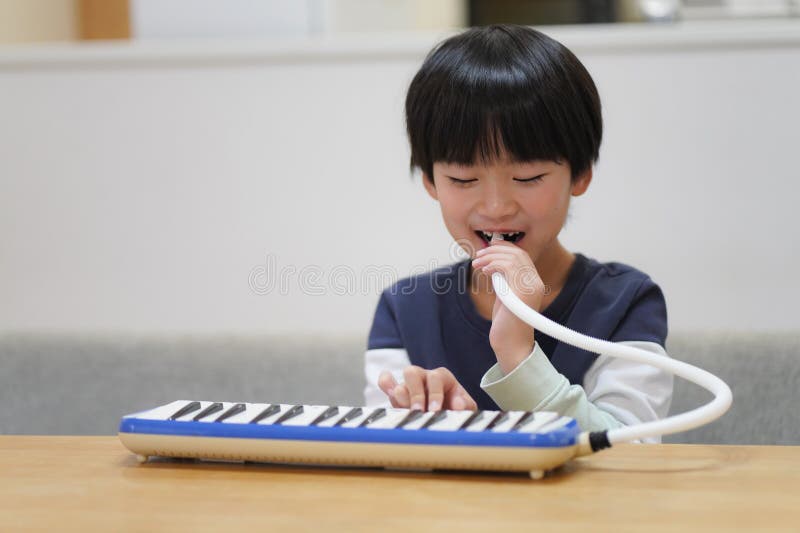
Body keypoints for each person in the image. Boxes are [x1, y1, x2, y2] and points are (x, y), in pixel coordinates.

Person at [363, 24, 672, 441]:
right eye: (463, 179)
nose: (496, 207)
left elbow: (635, 451)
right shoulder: (406, 310)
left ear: (579, 174)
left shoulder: (624, 303)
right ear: (431, 183)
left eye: (527, 177)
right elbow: (381, 461)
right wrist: (448, 428)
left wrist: (518, 354)